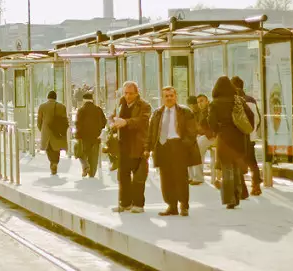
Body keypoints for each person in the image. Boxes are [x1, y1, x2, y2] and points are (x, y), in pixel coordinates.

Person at [147, 87, 200, 216]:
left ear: (176, 96)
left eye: (171, 95)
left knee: (180, 177)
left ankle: (184, 205)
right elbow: (152, 132)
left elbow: (192, 131)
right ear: (162, 98)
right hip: (163, 147)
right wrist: (148, 148)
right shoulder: (157, 113)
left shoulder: (185, 112)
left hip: (178, 145)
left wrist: (184, 145)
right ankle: (171, 206)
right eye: (166, 96)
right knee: (166, 178)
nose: (169, 98)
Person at [208, 76, 248, 209]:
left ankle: (229, 198)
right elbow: (249, 116)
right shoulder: (238, 100)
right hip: (238, 136)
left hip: (224, 137)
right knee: (236, 167)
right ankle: (237, 195)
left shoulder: (215, 103)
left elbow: (211, 122)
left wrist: (217, 130)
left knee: (226, 168)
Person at [111, 81, 151, 213]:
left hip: (137, 144)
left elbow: (142, 121)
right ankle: (125, 203)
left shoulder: (144, 106)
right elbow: (112, 117)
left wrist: (126, 122)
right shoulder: (120, 104)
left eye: (130, 93)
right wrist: (113, 122)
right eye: (126, 93)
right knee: (123, 175)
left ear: (136, 93)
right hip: (123, 144)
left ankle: (138, 204)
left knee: (138, 177)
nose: (128, 96)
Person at [231, 76, 262, 196]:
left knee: (238, 161)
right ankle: (256, 185)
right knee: (252, 162)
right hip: (250, 136)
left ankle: (242, 188)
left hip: (239, 137)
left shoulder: (234, 100)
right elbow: (258, 119)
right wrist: (253, 132)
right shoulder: (251, 100)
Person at [75, 89, 106, 178]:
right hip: (96, 136)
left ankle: (85, 166)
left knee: (80, 152)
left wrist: (78, 135)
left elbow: (78, 123)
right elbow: (104, 121)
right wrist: (99, 129)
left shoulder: (81, 110)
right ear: (92, 100)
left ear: (83, 100)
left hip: (84, 136)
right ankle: (92, 173)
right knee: (94, 155)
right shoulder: (98, 109)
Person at [37, 90, 70, 175]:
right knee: (56, 149)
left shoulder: (42, 107)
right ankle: (55, 163)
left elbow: (39, 122)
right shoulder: (62, 107)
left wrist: (42, 129)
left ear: (48, 97)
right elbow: (65, 120)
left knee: (49, 149)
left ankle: (53, 163)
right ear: (56, 97)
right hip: (58, 132)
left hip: (47, 132)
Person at [186, 96, 204, 185]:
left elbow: (201, 128)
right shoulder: (190, 114)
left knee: (196, 149)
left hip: (204, 136)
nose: (193, 107)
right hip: (196, 136)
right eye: (191, 105)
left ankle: (198, 177)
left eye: (194, 104)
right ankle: (190, 176)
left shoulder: (202, 112)